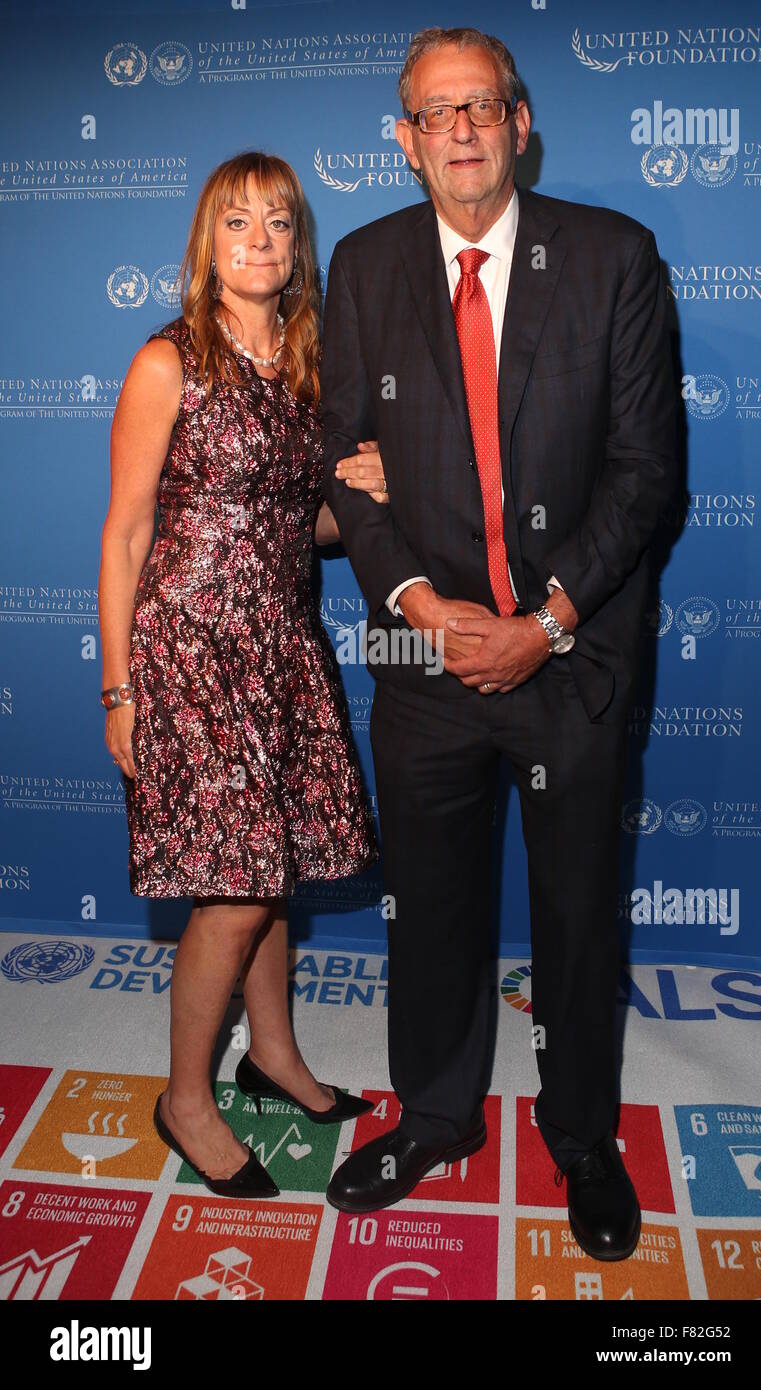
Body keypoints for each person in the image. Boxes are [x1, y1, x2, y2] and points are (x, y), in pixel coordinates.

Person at [319, 27, 677, 1259]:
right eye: (434, 112)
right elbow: (347, 474)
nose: (459, 129)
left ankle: (580, 1135)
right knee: (429, 909)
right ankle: (434, 1114)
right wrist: (422, 606)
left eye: (481, 106)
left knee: (578, 913)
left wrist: (543, 623)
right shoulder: (361, 268)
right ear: (405, 138)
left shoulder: (614, 257)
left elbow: (645, 475)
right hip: (425, 665)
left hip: (568, 656)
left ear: (519, 122)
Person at [98, 151, 385, 1198]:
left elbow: (297, 525)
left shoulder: (309, 365)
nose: (258, 239)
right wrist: (121, 688)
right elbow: (126, 533)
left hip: (283, 645)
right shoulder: (169, 361)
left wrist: (361, 494)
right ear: (206, 244)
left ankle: (274, 1055)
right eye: (236, 222)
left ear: (295, 242)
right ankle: (185, 1096)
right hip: (188, 649)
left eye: (276, 222)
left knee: (276, 873)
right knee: (233, 888)